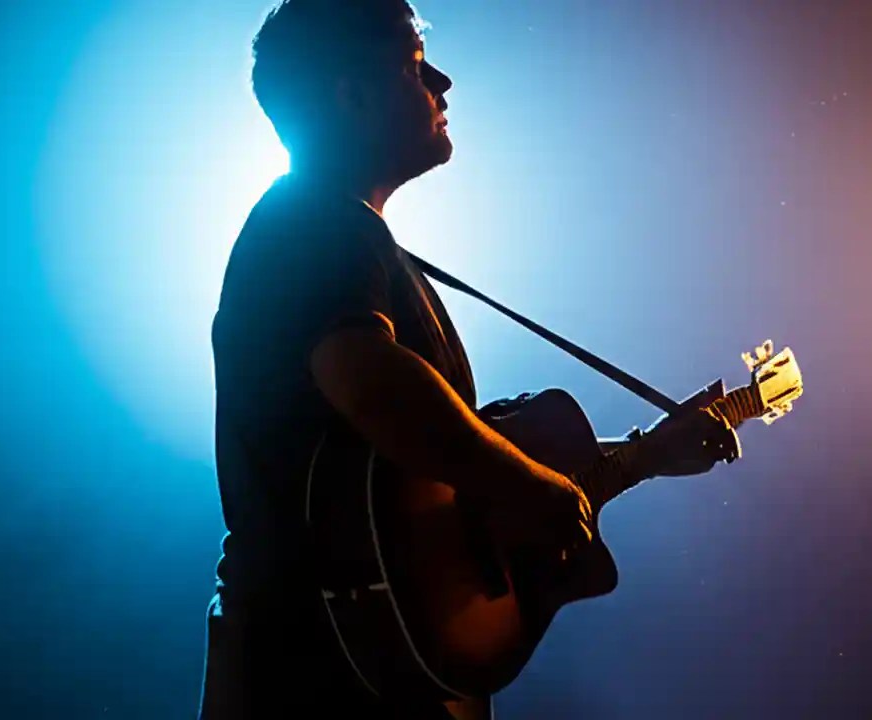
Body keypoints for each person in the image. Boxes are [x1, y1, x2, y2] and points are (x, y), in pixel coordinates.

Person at [197, 2, 736, 717]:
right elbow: (369, 382)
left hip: (364, 667)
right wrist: (532, 487)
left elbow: (442, 485)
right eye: (416, 67)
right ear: (350, 94)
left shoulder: (349, 239)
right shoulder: (315, 221)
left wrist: (643, 454)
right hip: (314, 673)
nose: (443, 84)